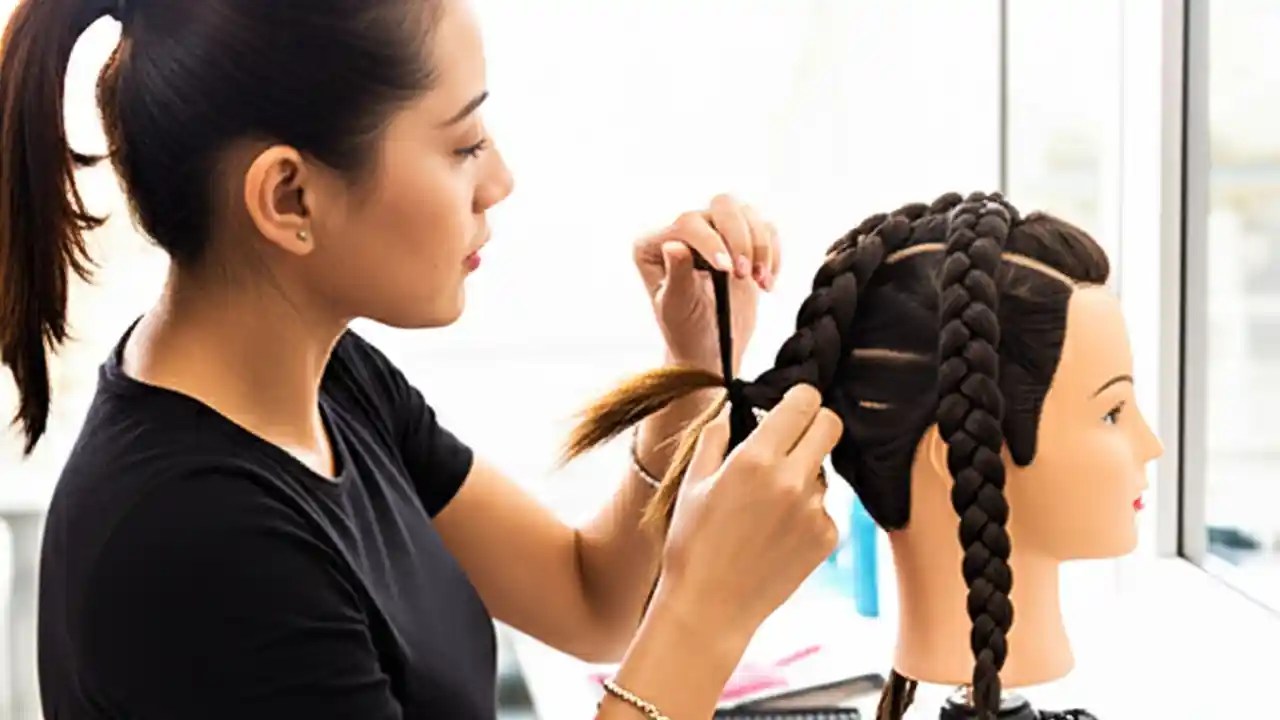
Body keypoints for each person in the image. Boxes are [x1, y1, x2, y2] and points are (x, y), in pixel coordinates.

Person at [0, 0, 842, 718]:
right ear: (290, 197)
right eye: (463, 144)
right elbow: (642, 618)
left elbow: (591, 599)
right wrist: (705, 611)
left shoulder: (330, 382)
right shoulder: (196, 547)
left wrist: (687, 367)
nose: (500, 179)